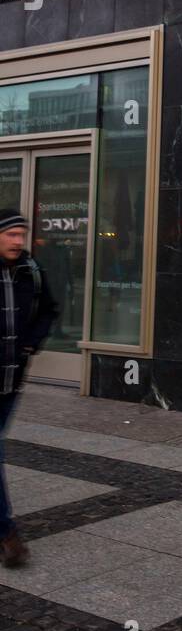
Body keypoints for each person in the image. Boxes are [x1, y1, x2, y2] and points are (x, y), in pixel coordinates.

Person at [0, 209, 59, 567]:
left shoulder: (30, 271)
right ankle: (7, 532)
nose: (18, 241)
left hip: (9, 381)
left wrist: (30, 345)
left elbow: (50, 310)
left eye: (22, 235)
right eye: (11, 235)